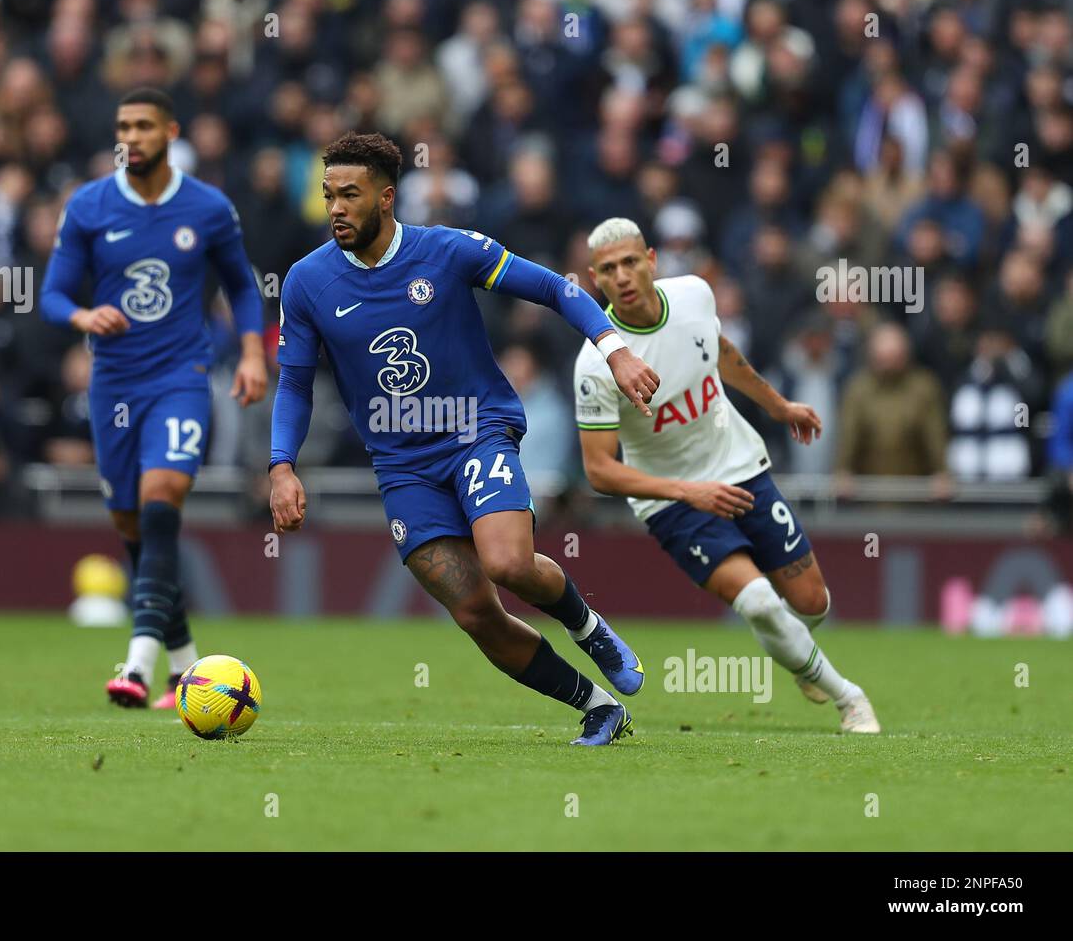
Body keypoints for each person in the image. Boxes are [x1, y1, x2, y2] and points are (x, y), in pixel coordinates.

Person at [269, 133, 661, 746]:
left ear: (387, 197)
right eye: (328, 196)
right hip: (401, 465)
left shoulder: (447, 251)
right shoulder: (306, 282)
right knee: (475, 611)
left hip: (475, 430)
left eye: (350, 195)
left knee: (508, 562)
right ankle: (597, 706)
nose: (337, 208)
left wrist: (614, 351)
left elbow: (555, 288)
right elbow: (294, 383)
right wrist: (281, 465)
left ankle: (589, 628)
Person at [574, 217, 880, 734]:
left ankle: (801, 657)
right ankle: (849, 698)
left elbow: (721, 356)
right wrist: (688, 491)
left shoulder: (694, 295)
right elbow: (600, 470)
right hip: (674, 502)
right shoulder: (596, 364)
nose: (622, 276)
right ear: (594, 279)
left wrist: (779, 405)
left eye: (630, 262)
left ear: (652, 259)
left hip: (741, 467)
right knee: (759, 600)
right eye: (609, 269)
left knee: (813, 602)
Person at [41, 87, 267, 708]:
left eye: (143, 125)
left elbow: (243, 289)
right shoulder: (88, 206)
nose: (131, 136)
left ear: (170, 131)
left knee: (162, 498)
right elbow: (52, 294)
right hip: (113, 384)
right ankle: (187, 667)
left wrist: (251, 352)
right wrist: (84, 317)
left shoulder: (208, 208)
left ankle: (136, 665)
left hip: (181, 377)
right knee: (134, 526)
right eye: (123, 126)